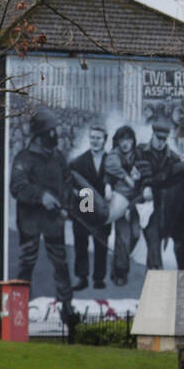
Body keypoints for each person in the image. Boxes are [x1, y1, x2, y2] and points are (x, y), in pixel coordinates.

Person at [10, 107, 79, 328]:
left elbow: (69, 182)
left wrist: (72, 205)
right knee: (26, 264)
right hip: (30, 223)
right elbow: (17, 187)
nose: (55, 135)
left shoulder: (58, 157)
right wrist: (41, 196)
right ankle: (17, 312)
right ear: (40, 134)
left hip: (53, 223)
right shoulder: (24, 158)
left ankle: (68, 310)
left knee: (61, 264)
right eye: (52, 131)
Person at [137, 116, 184, 269]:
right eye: (158, 138)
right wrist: (147, 185)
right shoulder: (140, 150)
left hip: (163, 206)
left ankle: (154, 275)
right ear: (152, 135)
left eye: (164, 139)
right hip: (143, 203)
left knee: (159, 241)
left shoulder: (173, 158)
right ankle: (155, 273)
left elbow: (177, 184)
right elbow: (142, 170)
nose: (161, 142)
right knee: (153, 240)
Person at [104, 125, 152, 285]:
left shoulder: (138, 154)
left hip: (136, 201)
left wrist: (140, 178)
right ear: (117, 141)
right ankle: (120, 273)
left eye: (128, 139)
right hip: (120, 200)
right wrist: (109, 186)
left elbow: (146, 172)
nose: (125, 143)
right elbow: (108, 175)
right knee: (123, 237)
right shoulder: (113, 155)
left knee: (135, 235)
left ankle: (118, 261)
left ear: (133, 141)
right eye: (122, 139)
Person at [70, 122, 111, 290]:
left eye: (98, 138)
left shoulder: (111, 161)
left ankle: (99, 278)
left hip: (103, 210)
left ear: (104, 140)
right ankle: (82, 278)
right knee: (81, 243)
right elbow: (69, 183)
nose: (95, 141)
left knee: (101, 243)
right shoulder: (78, 162)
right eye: (92, 138)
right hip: (84, 208)